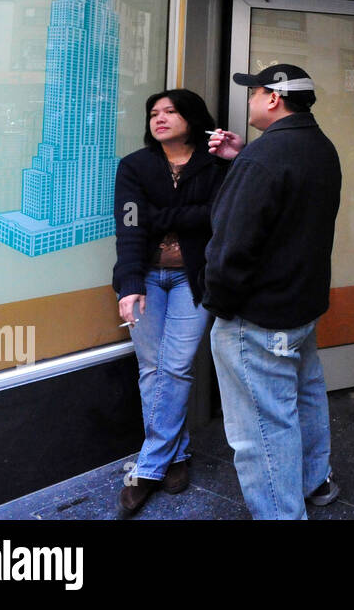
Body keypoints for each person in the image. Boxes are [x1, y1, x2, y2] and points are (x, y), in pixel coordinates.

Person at [204, 63, 343, 520]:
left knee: (262, 427)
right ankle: (314, 482)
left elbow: (231, 249)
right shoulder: (319, 146)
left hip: (257, 318)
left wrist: (220, 308)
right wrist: (244, 159)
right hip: (301, 308)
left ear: (274, 99)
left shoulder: (262, 160)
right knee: (304, 395)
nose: (248, 101)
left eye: (253, 93)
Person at [112, 88, 230, 518]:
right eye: (154, 113)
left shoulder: (216, 164)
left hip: (191, 278)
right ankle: (176, 455)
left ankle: (149, 467)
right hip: (143, 277)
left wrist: (157, 215)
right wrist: (128, 284)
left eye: (171, 111)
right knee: (151, 368)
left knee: (175, 365)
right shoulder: (134, 166)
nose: (159, 118)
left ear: (193, 118)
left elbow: (218, 216)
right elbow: (128, 223)